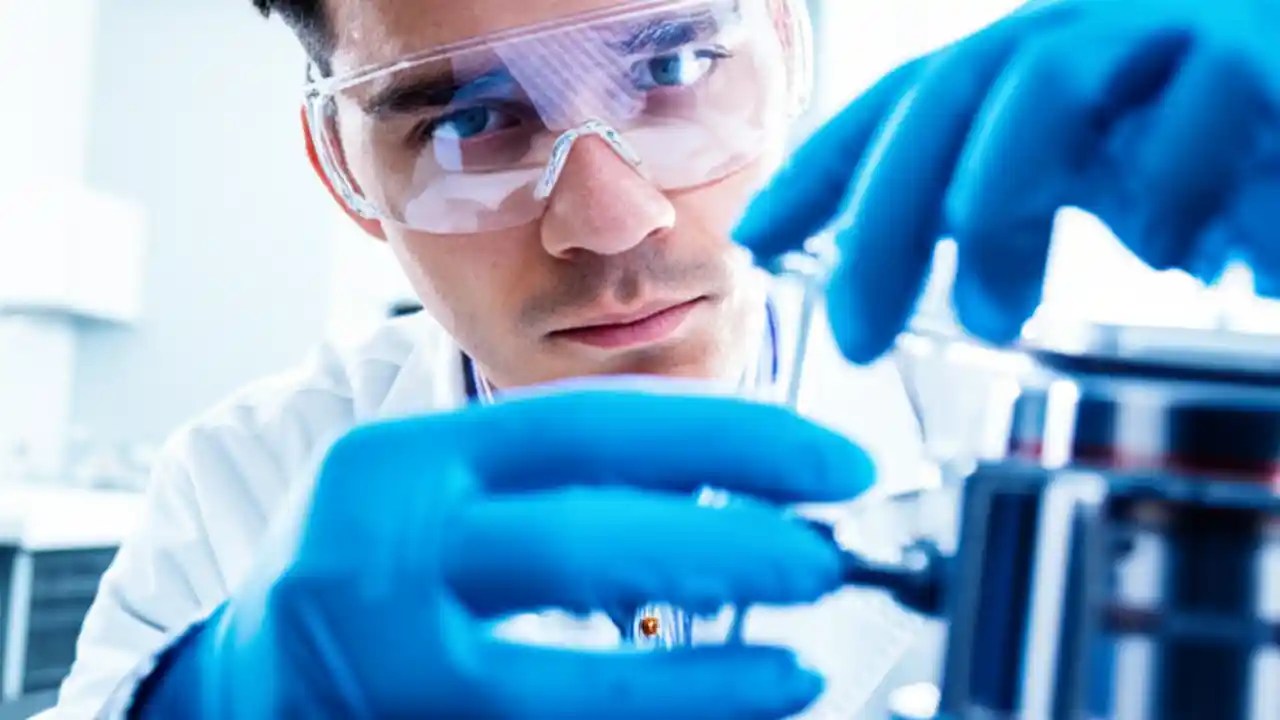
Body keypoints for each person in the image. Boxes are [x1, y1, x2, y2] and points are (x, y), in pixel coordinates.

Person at [45, 0, 1280, 717]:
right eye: (469, 119)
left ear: (786, 51)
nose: (610, 221)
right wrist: (206, 702)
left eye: (671, 69)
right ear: (343, 170)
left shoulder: (1041, 426)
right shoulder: (247, 487)